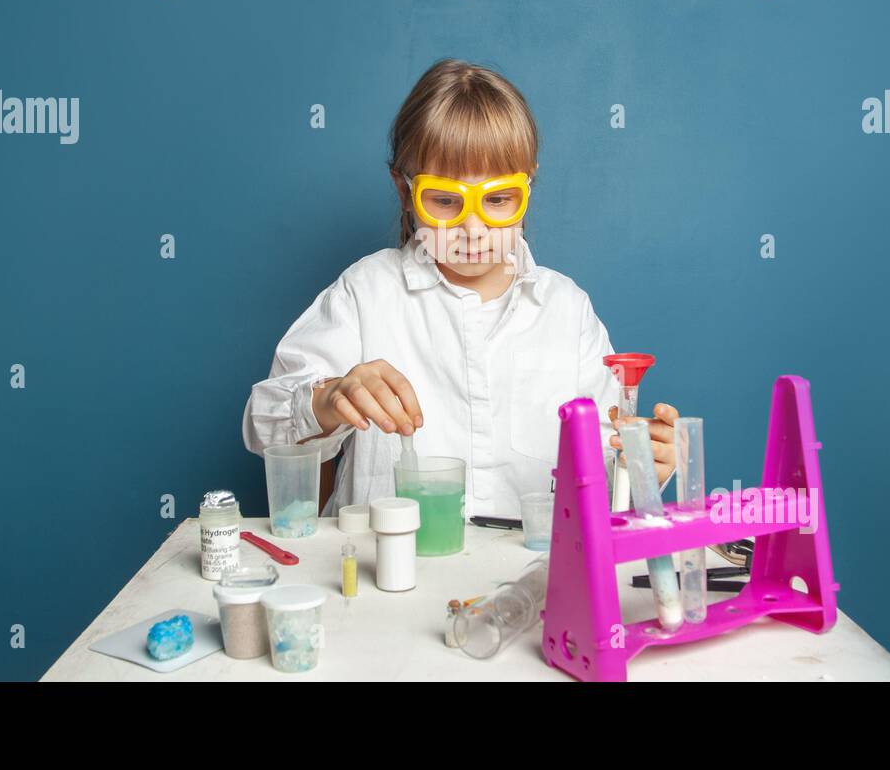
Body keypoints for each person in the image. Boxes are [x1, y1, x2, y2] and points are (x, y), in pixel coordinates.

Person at [243, 58, 679, 516]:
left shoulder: (567, 312)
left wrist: (645, 466)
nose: (472, 227)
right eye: (446, 201)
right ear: (404, 192)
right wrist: (329, 398)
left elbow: (604, 478)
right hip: (389, 575)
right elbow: (262, 426)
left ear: (526, 187)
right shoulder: (366, 293)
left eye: (497, 199)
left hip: (529, 577)